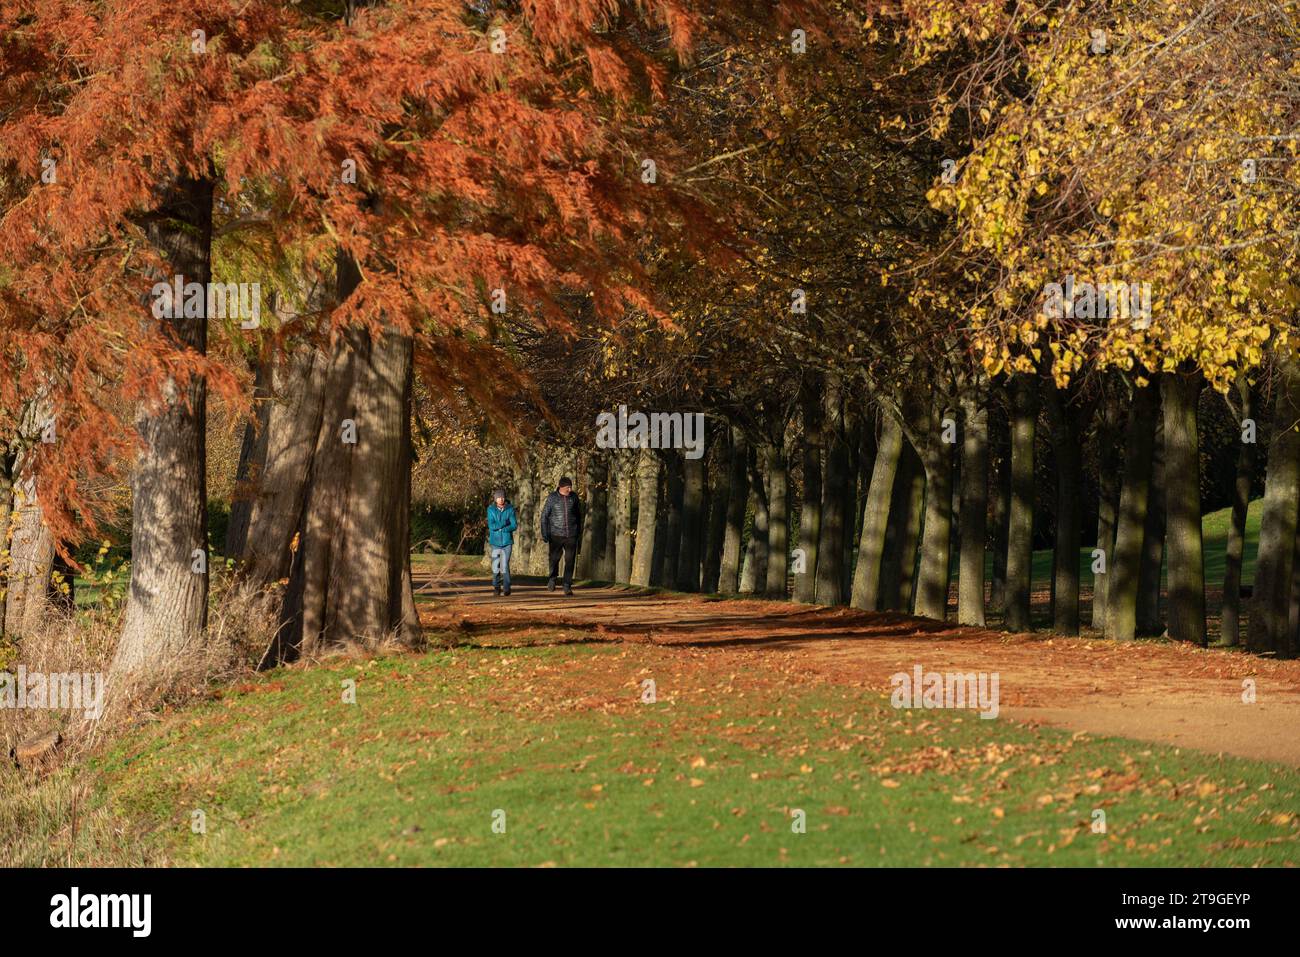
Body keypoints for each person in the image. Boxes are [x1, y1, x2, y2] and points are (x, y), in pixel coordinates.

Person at [539, 475, 582, 595]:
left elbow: (579, 515)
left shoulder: (574, 497)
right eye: (568, 487)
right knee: (554, 559)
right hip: (556, 534)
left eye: (571, 487)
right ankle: (552, 578)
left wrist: (579, 531)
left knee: (570, 561)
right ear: (561, 487)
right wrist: (545, 533)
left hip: (571, 535)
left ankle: (567, 585)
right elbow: (544, 516)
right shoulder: (552, 498)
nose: (570, 490)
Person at [486, 488, 518, 596]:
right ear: (495, 499)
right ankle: (496, 587)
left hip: (507, 542)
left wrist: (503, 529)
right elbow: (492, 526)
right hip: (495, 542)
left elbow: (514, 525)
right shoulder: (491, 510)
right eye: (499, 497)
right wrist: (505, 522)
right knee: (496, 565)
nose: (501, 499)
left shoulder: (510, 509)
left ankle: (507, 587)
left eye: (503, 497)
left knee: (505, 565)